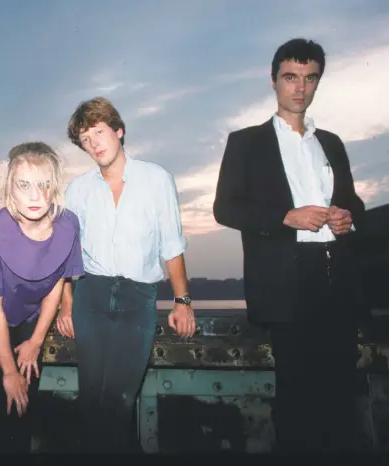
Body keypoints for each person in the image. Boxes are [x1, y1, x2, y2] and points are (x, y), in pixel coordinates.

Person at [213, 38, 365, 452]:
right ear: (274, 80)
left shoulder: (330, 142)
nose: (300, 87)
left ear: (318, 83)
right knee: (296, 396)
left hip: (336, 278)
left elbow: (353, 202)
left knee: (339, 393)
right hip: (286, 281)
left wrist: (347, 217)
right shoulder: (246, 141)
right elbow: (225, 209)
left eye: (310, 78)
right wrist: (285, 217)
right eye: (291, 77)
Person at [56, 97, 196, 453]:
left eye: (99, 133)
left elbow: (171, 245)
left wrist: (181, 301)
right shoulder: (78, 189)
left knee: (120, 399)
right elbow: (67, 253)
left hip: (138, 298)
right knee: (91, 398)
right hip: (91, 295)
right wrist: (66, 304)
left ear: (118, 131)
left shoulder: (156, 178)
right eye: (86, 140)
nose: (94, 144)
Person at [0, 141, 84, 453]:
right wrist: (8, 370)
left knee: (25, 400)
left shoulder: (69, 224)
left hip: (32, 317)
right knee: (10, 395)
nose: (35, 195)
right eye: (24, 184)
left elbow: (57, 284)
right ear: (10, 188)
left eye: (44, 184)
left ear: (54, 187)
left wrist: (35, 342)